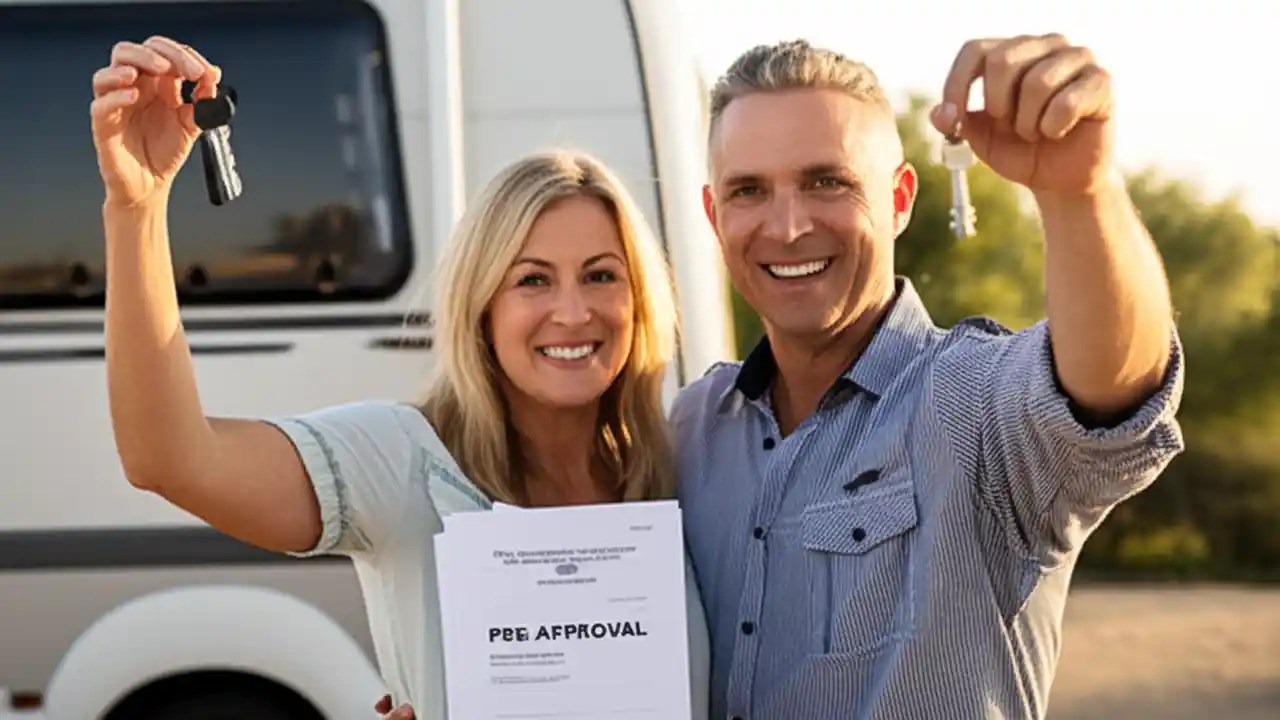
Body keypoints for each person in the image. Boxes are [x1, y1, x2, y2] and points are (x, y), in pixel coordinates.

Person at [89, 37, 710, 720]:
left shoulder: (689, 468)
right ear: (482, 305)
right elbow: (170, 459)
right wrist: (137, 210)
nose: (572, 312)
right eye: (531, 280)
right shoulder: (404, 460)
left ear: (639, 298)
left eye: (601, 275)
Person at [667, 35, 1185, 719]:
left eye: (828, 182)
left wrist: (1081, 191)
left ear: (900, 198)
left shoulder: (968, 403)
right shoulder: (689, 429)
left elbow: (1111, 392)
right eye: (749, 191)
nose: (787, 227)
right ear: (713, 215)